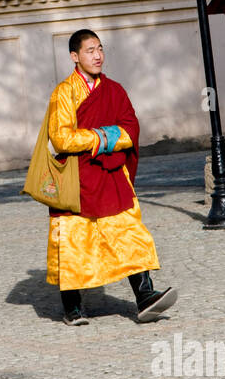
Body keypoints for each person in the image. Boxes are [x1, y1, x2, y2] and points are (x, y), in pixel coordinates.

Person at [41, 29, 176, 326]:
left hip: (111, 174)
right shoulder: (64, 92)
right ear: (74, 57)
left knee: (128, 231)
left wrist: (105, 137)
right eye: (90, 50)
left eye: (100, 49)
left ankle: (145, 297)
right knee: (75, 241)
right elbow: (61, 139)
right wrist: (104, 135)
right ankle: (72, 306)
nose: (98, 55)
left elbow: (131, 129)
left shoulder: (114, 90)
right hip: (76, 178)